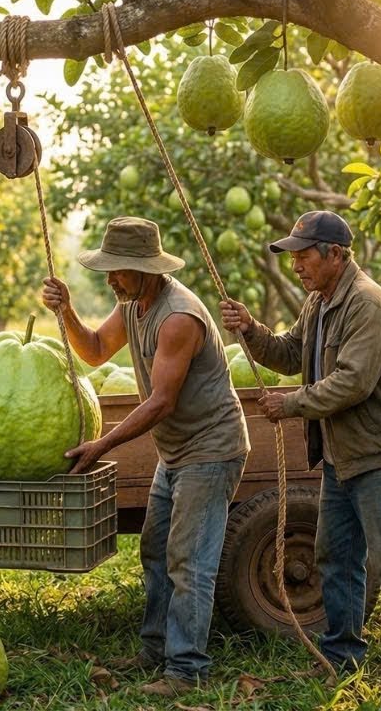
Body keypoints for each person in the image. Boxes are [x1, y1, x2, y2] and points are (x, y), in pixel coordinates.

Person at [219, 210, 381, 707]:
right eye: (294, 257)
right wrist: (251, 329)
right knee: (335, 557)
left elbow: (353, 383)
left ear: (336, 255)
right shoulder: (320, 302)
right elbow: (289, 354)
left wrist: (290, 403)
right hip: (344, 457)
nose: (296, 266)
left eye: (303, 256)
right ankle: (342, 656)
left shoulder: (367, 303)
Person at [41, 216, 249, 698]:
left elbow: (160, 402)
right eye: (107, 269)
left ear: (145, 268)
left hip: (211, 450)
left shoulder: (178, 316)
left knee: (189, 562)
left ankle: (186, 670)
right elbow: (94, 351)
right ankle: (155, 650)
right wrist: (67, 311)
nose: (110, 278)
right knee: (155, 550)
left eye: (117, 270)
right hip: (176, 452)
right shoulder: (136, 304)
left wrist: (102, 444)